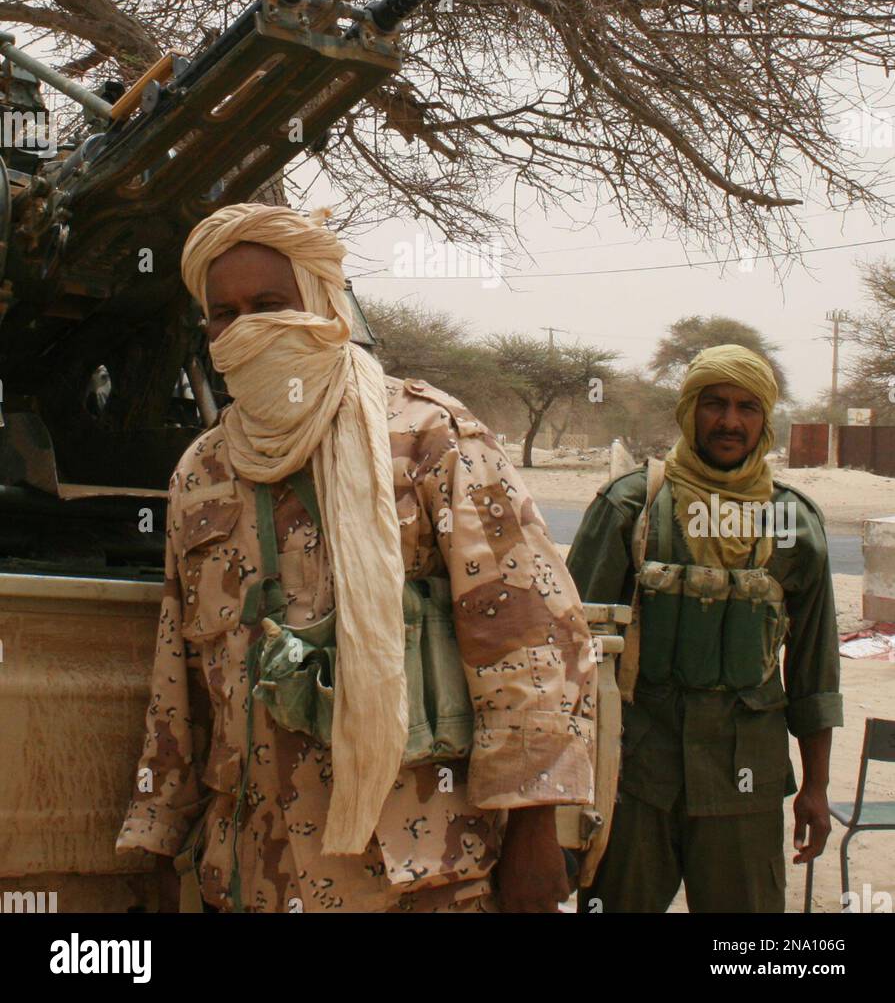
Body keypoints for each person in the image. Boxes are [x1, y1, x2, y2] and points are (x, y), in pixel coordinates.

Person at [117, 203, 596, 913]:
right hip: (255, 871)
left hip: (417, 871)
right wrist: (159, 831)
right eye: (225, 313)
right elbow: (179, 672)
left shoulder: (427, 438)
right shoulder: (202, 471)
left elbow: (527, 639)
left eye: (270, 305)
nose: (246, 328)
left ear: (321, 303)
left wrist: (533, 835)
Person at [567, 345, 841, 914]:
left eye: (747, 407)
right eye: (714, 404)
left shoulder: (793, 524)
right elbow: (568, 654)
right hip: (635, 777)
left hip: (747, 782)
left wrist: (815, 787)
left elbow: (814, 669)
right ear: (689, 410)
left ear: (766, 420)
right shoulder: (630, 508)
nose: (730, 421)